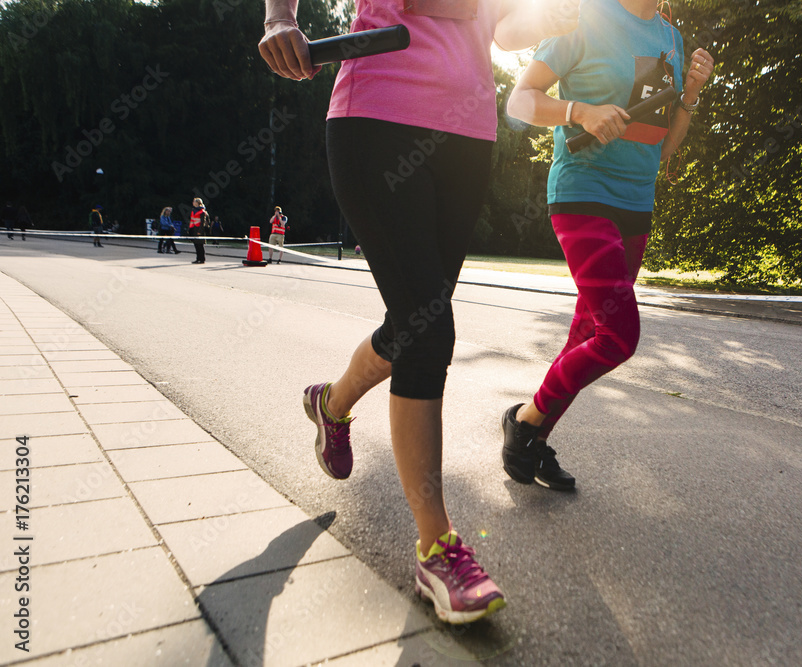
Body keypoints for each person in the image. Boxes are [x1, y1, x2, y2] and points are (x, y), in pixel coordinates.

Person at [259, 0, 579, 623]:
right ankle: (438, 550)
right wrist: (279, 17)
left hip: (466, 130)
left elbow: (501, 24)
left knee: (413, 323)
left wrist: (551, 19)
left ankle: (330, 404)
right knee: (429, 325)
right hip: (379, 113)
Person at [501, 0, 714, 490]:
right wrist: (580, 111)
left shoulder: (671, 39)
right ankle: (525, 422)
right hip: (583, 191)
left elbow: (664, 146)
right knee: (618, 336)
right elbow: (520, 100)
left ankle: (533, 434)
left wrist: (692, 94)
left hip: (636, 203)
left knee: (586, 333)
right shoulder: (584, 17)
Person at [188, 197, 209, 263]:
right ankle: (198, 258)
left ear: (197, 203)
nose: (193, 203)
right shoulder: (194, 210)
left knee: (200, 245)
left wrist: (200, 231)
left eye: (194, 201)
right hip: (194, 229)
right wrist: (190, 229)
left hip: (199, 230)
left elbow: (202, 222)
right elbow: (192, 220)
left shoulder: (202, 211)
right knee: (196, 244)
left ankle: (202, 259)